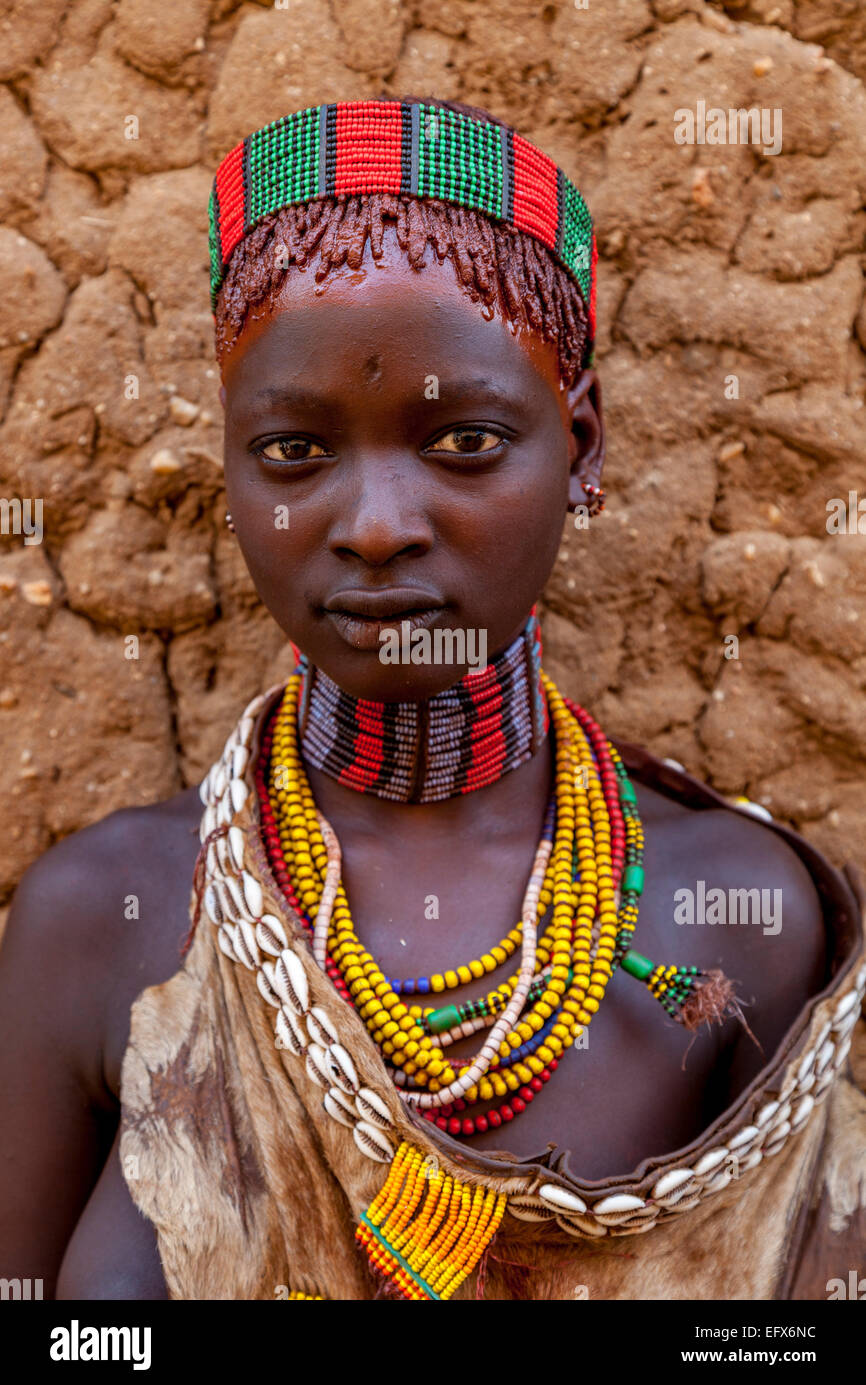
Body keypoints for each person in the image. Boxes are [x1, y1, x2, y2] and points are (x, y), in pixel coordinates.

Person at [0, 96, 863, 1302]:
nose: (373, 526)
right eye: (295, 450)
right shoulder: (102, 923)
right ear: (235, 470)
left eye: (461, 440)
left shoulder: (739, 924)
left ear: (583, 447)